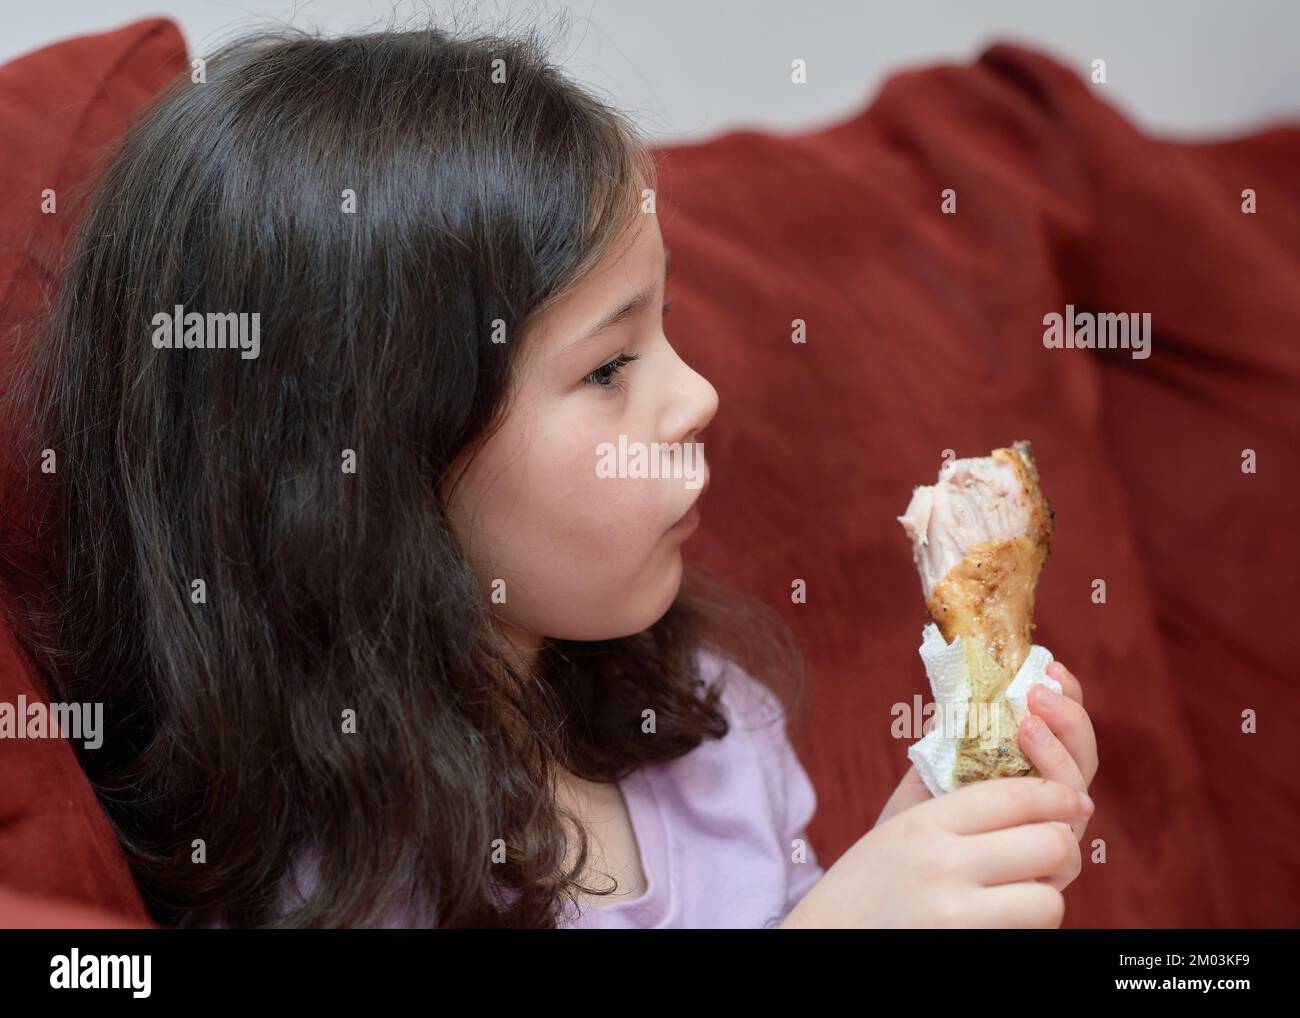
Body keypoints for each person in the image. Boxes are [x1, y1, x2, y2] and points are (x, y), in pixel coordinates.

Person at [0, 19, 1096, 930]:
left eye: (663, 326)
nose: (697, 396)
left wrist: (935, 828)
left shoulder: (715, 729)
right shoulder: (338, 879)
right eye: (611, 365)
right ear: (376, 470)